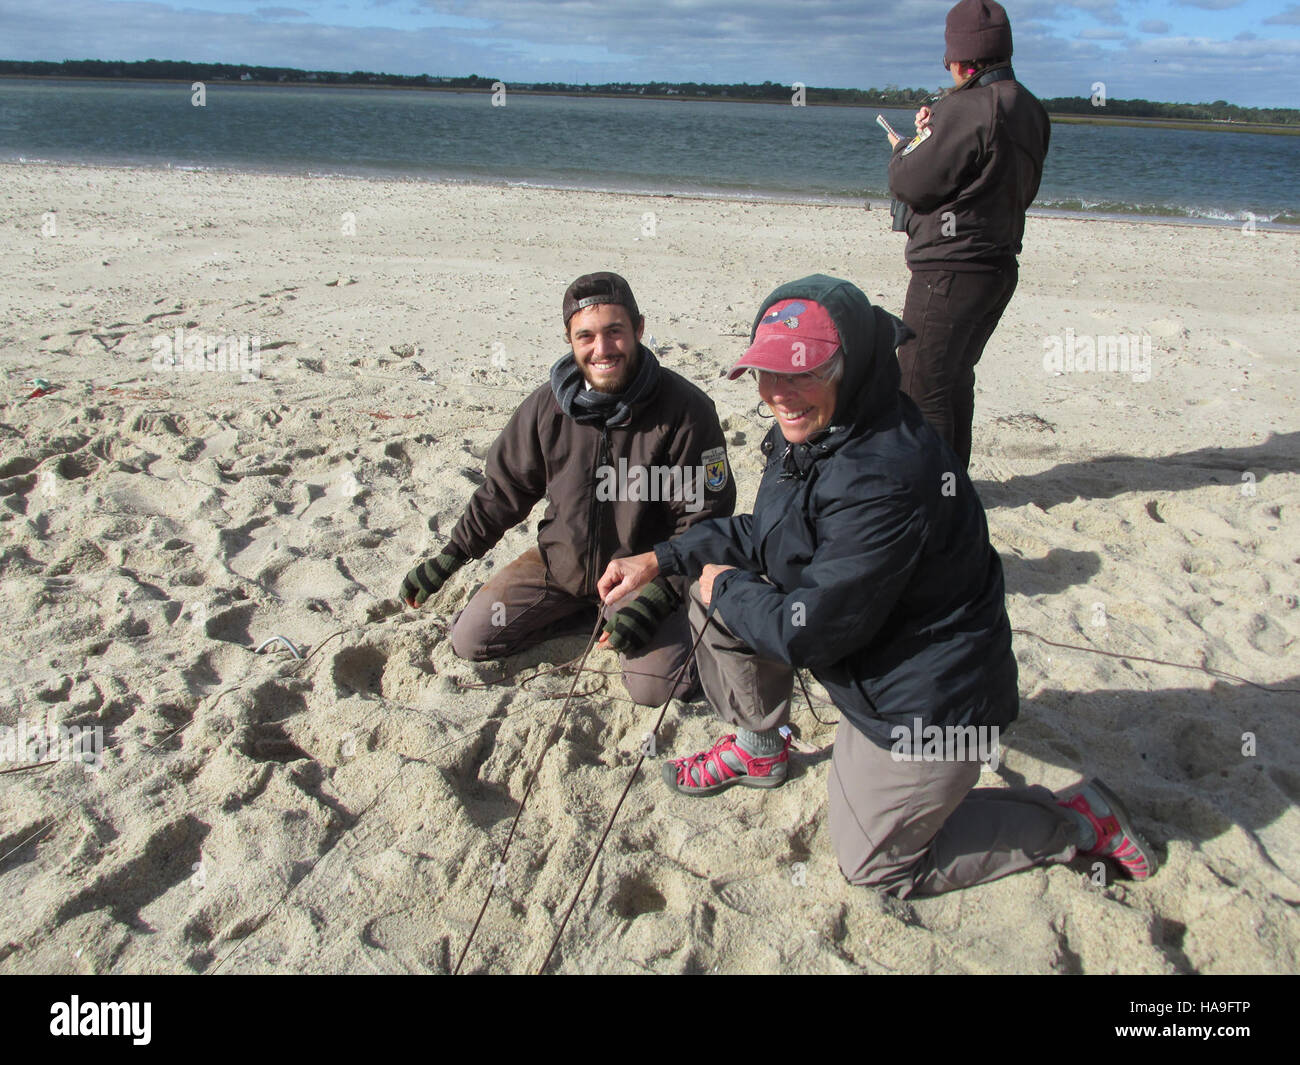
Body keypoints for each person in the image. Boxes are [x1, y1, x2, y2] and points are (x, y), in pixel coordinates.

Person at [598, 275, 1156, 895]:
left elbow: (803, 634)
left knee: (875, 866)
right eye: (769, 374)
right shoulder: (821, 430)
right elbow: (774, 532)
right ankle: (761, 745)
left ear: (850, 367)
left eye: (803, 373)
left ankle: (1074, 822)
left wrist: (721, 585)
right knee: (711, 589)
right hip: (865, 647)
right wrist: (662, 557)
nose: (781, 395)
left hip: (925, 698)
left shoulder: (885, 475)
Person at [400, 271, 735, 707]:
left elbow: (705, 518)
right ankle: (582, 614)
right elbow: (503, 491)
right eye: (586, 336)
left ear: (638, 329)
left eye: (615, 332)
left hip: (642, 574)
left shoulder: (687, 410)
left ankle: (652, 620)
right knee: (470, 640)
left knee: (656, 688)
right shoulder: (547, 406)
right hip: (559, 566)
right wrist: (452, 556)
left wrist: (659, 592)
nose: (602, 349)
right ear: (570, 339)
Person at [885, 0, 1050, 471]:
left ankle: (933, 498)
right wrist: (932, 135)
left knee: (919, 384)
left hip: (952, 268)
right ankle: (952, 488)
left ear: (959, 61)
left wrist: (907, 147)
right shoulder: (1030, 108)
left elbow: (909, 182)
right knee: (953, 380)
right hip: (997, 264)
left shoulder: (965, 107)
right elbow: (1010, 184)